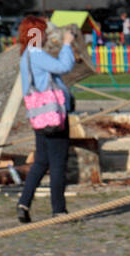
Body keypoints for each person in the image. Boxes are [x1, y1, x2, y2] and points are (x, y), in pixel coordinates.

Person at [15, 17, 76, 222]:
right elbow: (64, 66)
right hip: (53, 115)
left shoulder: (25, 57)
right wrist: (67, 44)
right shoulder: (37, 54)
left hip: (38, 116)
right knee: (58, 162)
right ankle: (58, 209)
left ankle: (24, 202)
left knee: (41, 161)